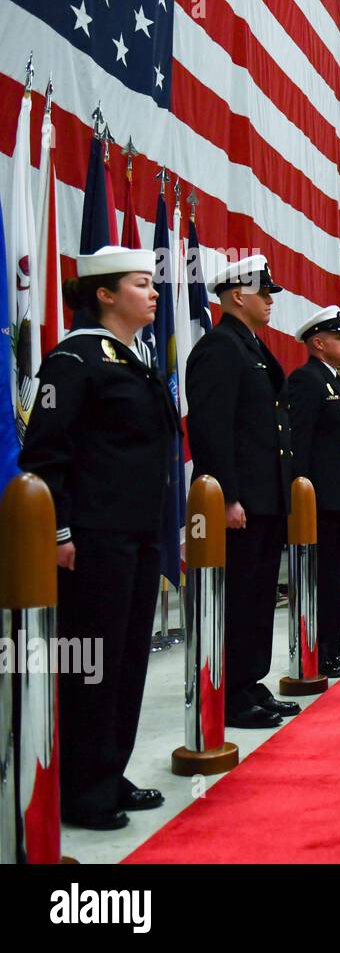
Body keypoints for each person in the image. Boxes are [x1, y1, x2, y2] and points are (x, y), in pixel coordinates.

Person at [19, 246, 178, 830]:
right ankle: (83, 787)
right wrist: (59, 531)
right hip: (93, 537)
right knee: (93, 662)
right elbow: (45, 455)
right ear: (105, 294)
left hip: (135, 535)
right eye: (141, 283)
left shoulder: (130, 357)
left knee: (129, 657)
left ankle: (109, 769)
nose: (154, 292)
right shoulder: (75, 359)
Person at [187, 255, 298, 729]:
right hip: (240, 501)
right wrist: (227, 495)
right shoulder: (219, 348)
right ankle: (229, 694)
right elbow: (212, 429)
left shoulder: (249, 346)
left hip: (264, 497)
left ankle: (250, 681)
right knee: (237, 597)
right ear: (238, 296)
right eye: (264, 292)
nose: (271, 301)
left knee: (257, 595)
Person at [284, 306, 340, 678]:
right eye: (338, 337)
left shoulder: (339, 383)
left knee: (335, 579)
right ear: (318, 343)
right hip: (318, 501)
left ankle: (330, 649)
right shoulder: (306, 381)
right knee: (321, 579)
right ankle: (317, 649)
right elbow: (299, 444)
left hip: (339, 497)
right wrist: (301, 496)